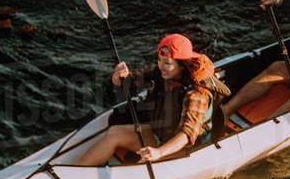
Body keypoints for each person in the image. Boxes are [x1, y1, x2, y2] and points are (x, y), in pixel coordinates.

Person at [75, 33, 230, 167]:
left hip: (184, 149)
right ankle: (76, 172)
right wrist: (120, 79)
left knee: (144, 163)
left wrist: (159, 153)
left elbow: (187, 134)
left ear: (182, 65)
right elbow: (134, 80)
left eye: (167, 63)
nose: (161, 66)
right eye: (159, 60)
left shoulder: (197, 93)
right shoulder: (162, 72)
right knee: (115, 132)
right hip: (159, 136)